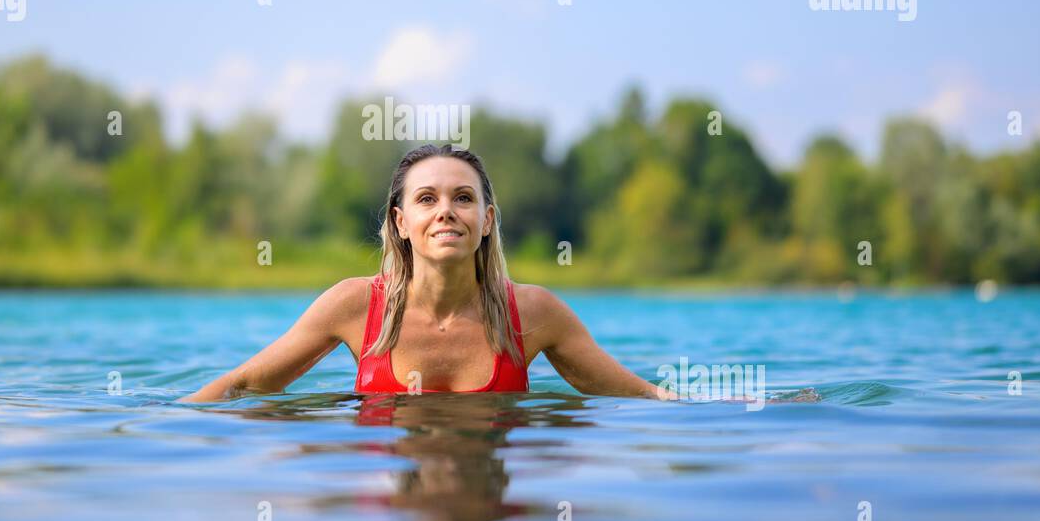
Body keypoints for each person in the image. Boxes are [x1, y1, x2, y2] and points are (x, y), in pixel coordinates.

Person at [179, 143, 674, 403]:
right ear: (401, 222)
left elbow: (638, 393)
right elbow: (244, 385)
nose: (446, 212)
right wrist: (157, 424)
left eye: (463, 198)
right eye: (426, 199)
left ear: (487, 220)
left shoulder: (533, 311)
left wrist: (715, 409)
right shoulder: (354, 305)